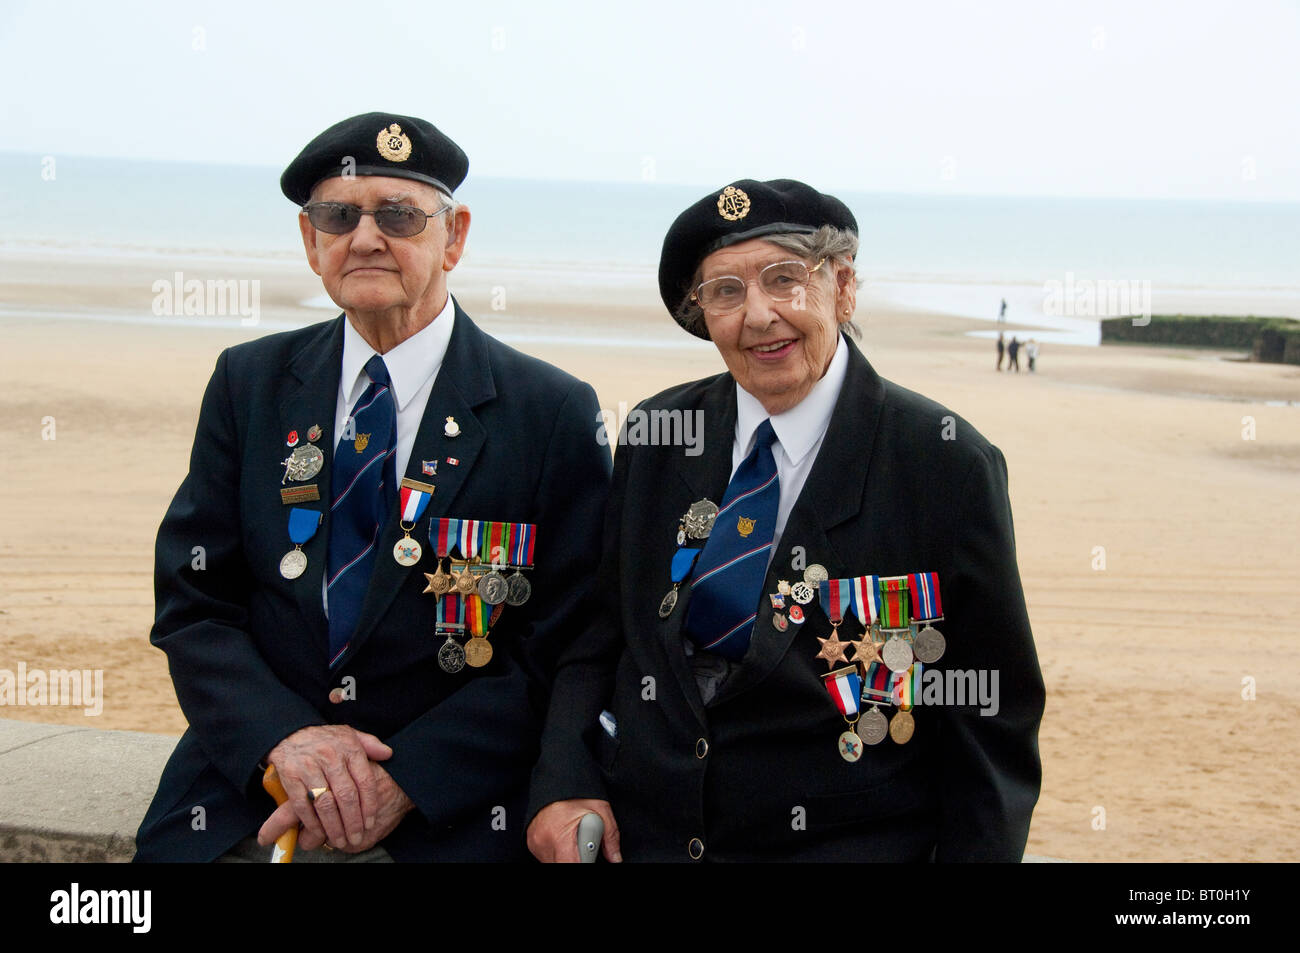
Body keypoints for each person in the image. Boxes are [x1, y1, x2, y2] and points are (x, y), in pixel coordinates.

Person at [134, 113, 611, 862]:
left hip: (452, 809)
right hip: (249, 791)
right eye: (338, 215)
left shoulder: (549, 412)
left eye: (398, 215)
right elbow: (195, 603)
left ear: (453, 238)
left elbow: (568, 642)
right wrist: (282, 740)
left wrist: (409, 777)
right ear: (310, 240)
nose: (364, 237)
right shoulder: (248, 383)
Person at [526, 179, 1044, 862]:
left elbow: (990, 716)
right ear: (701, 313)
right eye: (726, 291)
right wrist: (563, 779)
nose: (759, 315)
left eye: (785, 280)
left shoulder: (944, 463)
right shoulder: (657, 433)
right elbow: (600, 637)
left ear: (843, 287)